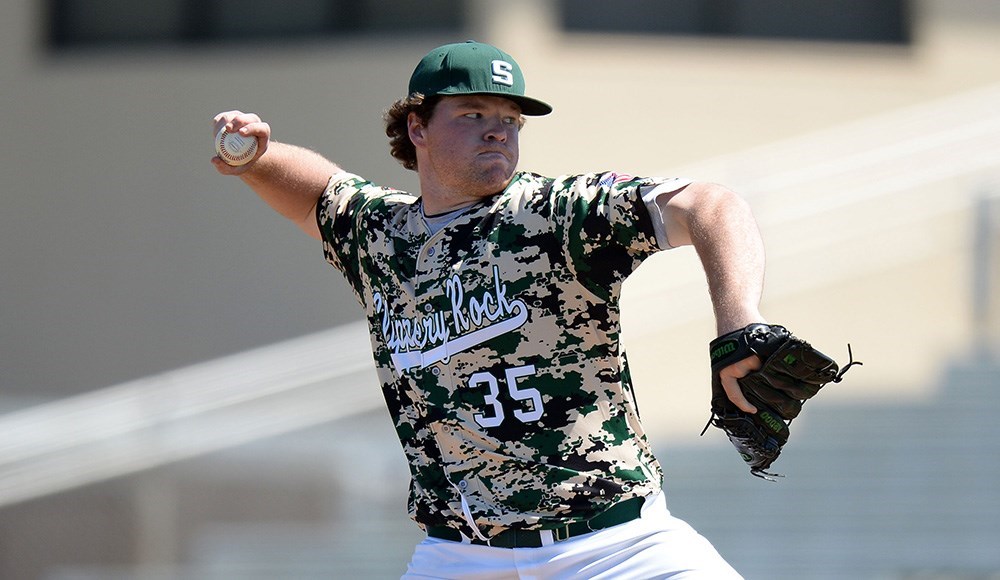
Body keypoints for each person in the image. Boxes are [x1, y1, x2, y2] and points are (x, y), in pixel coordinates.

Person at [213, 40, 765, 579]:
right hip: (460, 553)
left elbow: (711, 205)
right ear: (417, 128)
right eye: (473, 113)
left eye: (510, 118)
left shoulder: (555, 215)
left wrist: (738, 323)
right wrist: (258, 157)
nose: (498, 129)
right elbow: (317, 194)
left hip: (613, 544)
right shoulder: (381, 236)